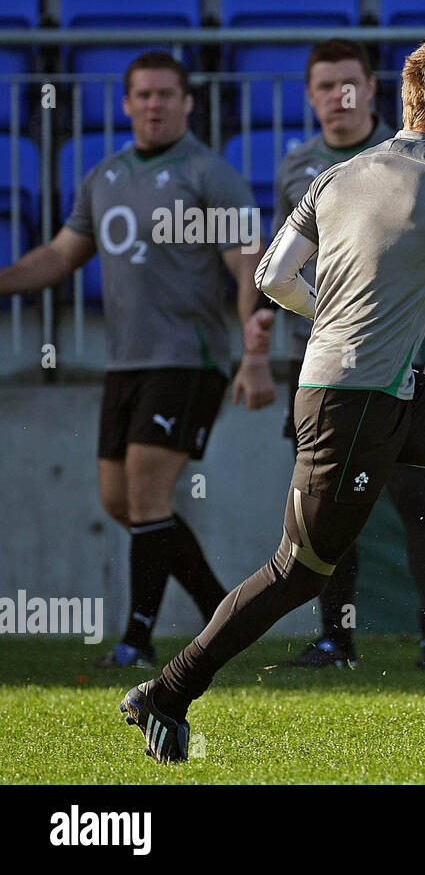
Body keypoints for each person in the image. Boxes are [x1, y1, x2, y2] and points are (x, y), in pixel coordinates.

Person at [119, 39, 425, 763]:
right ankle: (169, 691)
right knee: (295, 571)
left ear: (404, 103)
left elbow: (277, 278)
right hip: (353, 403)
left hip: (376, 387)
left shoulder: (337, 176)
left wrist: (337, 316)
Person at [0, 51, 275, 669]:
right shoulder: (104, 177)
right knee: (119, 501)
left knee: (149, 494)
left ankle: (136, 642)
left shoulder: (209, 173)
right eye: (143, 95)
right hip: (124, 365)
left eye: (165, 94)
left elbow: (245, 262)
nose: (154, 104)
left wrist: (253, 346)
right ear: (125, 105)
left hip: (188, 359)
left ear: (187, 102)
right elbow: (60, 256)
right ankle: (226, 615)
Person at [243, 39, 425, 670]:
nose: (338, 98)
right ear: (311, 95)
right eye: (325, 86)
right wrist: (259, 338)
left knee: (414, 503)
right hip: (315, 363)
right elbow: (277, 263)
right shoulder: (301, 167)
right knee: (324, 514)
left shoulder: (419, 162)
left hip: (394, 365)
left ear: (373, 91)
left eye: (349, 84)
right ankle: (334, 640)